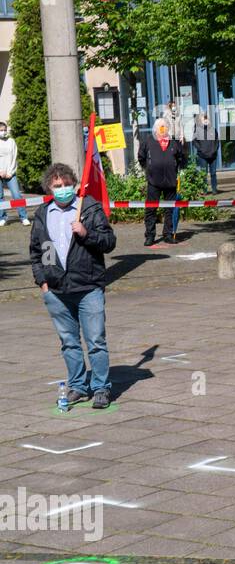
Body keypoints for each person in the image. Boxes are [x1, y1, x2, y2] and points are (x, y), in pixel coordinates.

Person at [30, 163, 117, 409]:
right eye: (58, 186)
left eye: (67, 184)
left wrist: (86, 233)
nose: (63, 189)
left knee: (96, 341)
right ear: (49, 188)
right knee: (69, 342)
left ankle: (100, 387)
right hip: (57, 291)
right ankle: (77, 386)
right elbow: (39, 251)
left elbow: (109, 242)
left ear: (74, 184)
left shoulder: (88, 208)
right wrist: (43, 281)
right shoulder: (43, 214)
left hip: (88, 286)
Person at [137, 118, 184, 246]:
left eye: (165, 127)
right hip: (154, 181)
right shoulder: (148, 141)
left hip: (170, 181)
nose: (163, 129)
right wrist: (149, 168)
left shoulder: (173, 142)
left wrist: (175, 168)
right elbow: (141, 157)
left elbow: (181, 157)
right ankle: (150, 235)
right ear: (156, 129)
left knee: (169, 209)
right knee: (151, 209)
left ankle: (168, 234)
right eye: (161, 127)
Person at [0, 120, 29, 226]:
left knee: (17, 195)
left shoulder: (11, 141)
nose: (3, 132)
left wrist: (10, 172)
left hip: (10, 173)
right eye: (1, 130)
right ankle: (2, 217)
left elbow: (14, 157)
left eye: (4, 130)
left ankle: (23, 217)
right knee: (0, 197)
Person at [193, 111, 220, 194]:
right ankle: (204, 191)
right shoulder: (197, 129)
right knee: (203, 174)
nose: (205, 120)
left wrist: (214, 150)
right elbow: (194, 141)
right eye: (203, 118)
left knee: (213, 173)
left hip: (213, 155)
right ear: (200, 120)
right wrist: (201, 150)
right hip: (203, 156)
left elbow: (217, 141)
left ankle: (214, 189)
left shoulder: (212, 129)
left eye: (206, 118)